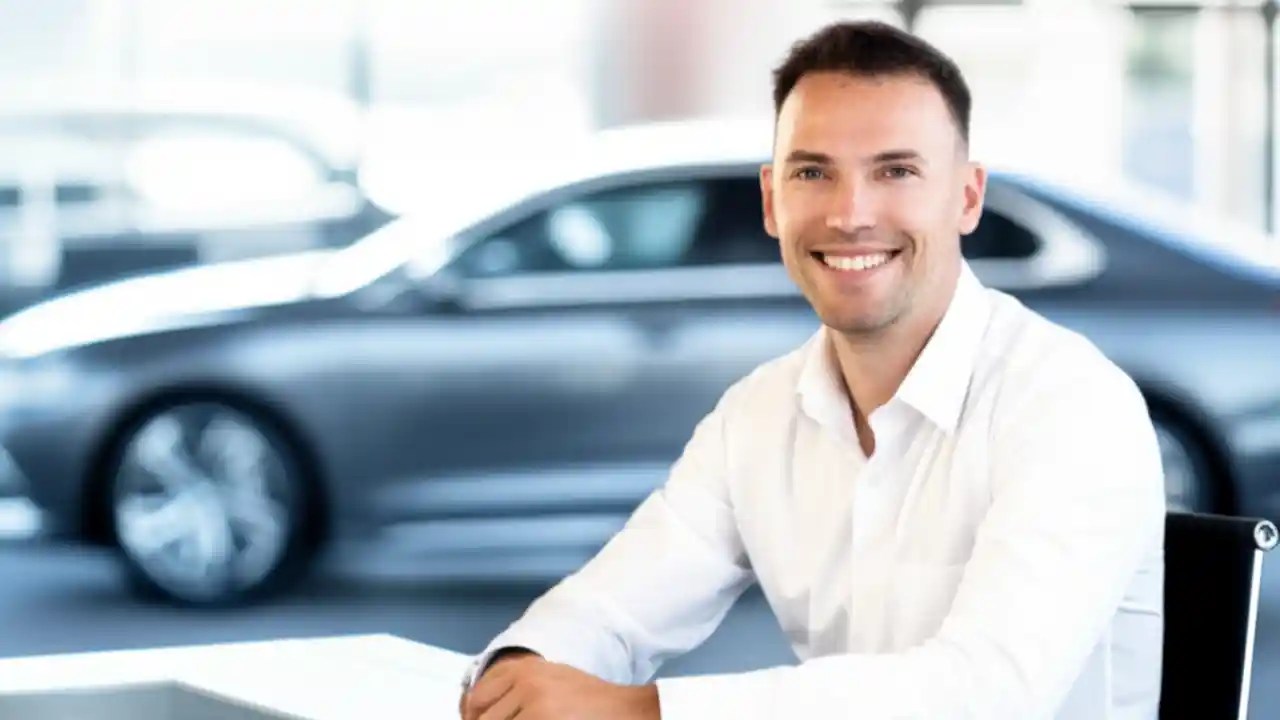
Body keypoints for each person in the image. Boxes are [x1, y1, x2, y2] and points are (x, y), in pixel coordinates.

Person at [459, 19, 1164, 720]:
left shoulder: (1071, 405)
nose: (850, 214)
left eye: (896, 171)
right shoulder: (757, 415)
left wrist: (639, 711)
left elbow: (986, 696)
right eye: (813, 173)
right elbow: (613, 609)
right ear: (772, 201)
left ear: (967, 198)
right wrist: (525, 668)